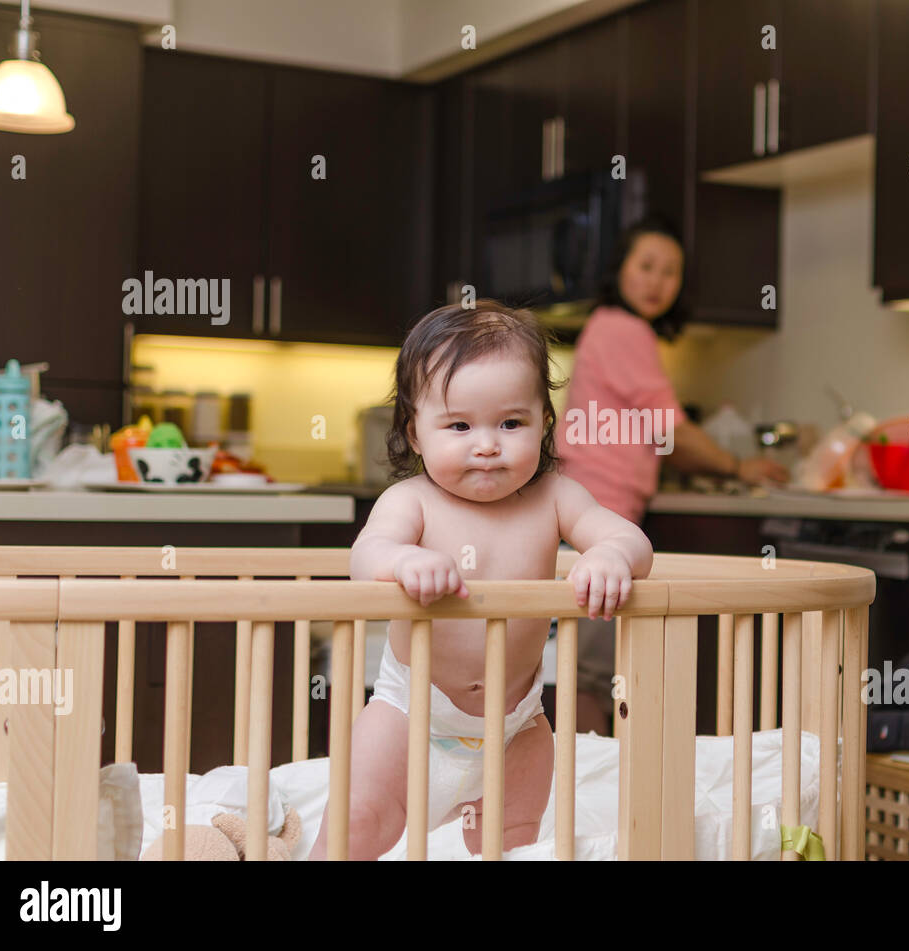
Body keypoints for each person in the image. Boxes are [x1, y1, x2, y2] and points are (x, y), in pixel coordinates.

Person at [308, 299, 653, 859]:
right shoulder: (411, 501)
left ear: (544, 421)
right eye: (460, 425)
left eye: (511, 423)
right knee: (359, 821)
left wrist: (610, 556)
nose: (487, 444)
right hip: (408, 711)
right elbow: (364, 554)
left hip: (516, 722)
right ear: (415, 434)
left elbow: (630, 538)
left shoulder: (555, 497)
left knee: (510, 836)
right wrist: (401, 562)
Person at [555, 214, 790, 734]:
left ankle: (579, 789)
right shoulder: (622, 328)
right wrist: (738, 465)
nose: (656, 281)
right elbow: (671, 429)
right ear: (620, 270)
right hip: (599, 507)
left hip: (593, 504)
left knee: (585, 660)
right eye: (645, 266)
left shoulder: (612, 328)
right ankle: (583, 789)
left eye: (670, 271)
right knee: (592, 667)